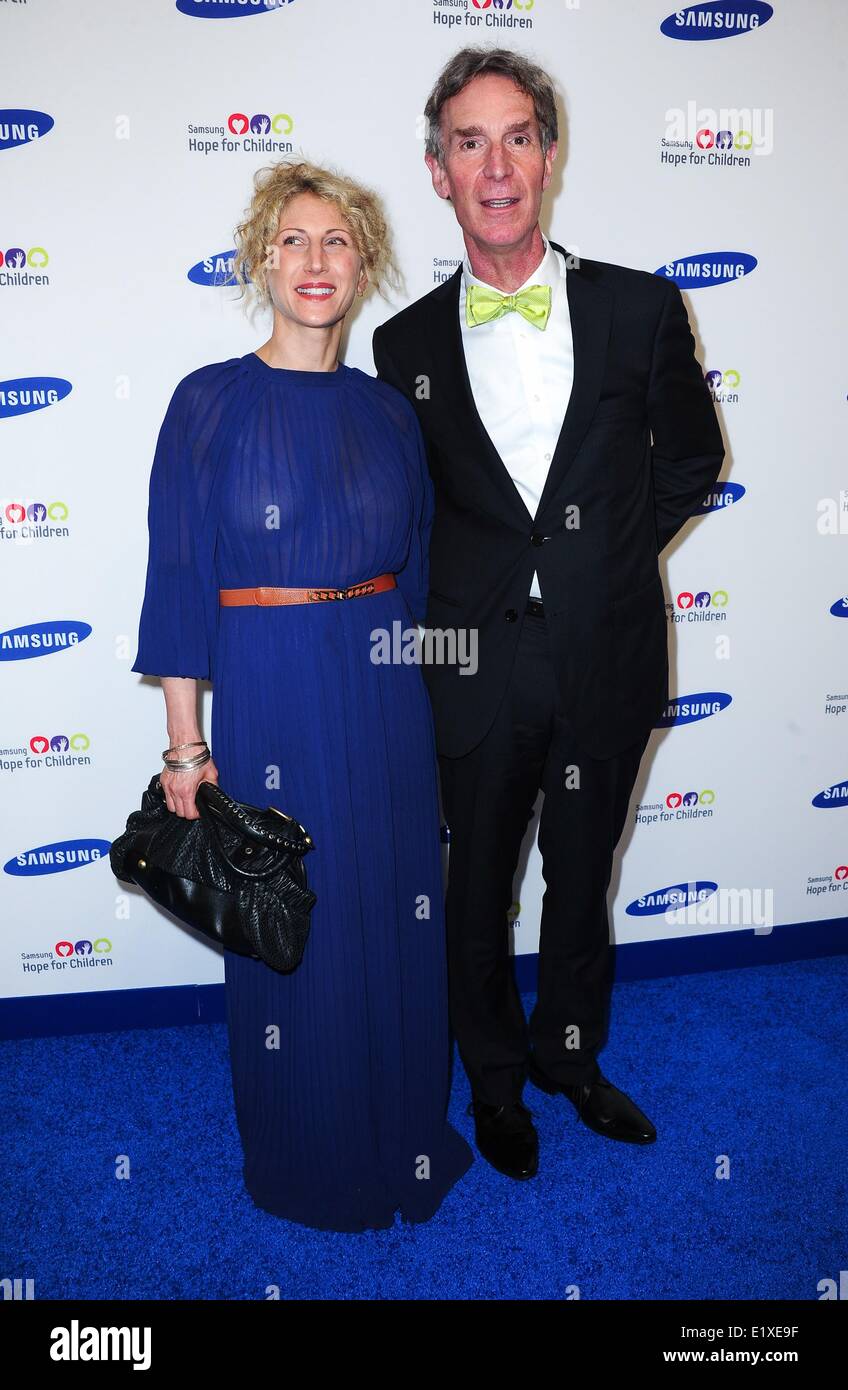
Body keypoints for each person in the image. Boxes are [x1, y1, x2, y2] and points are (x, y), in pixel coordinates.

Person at [372, 48, 725, 1180]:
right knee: (474, 886)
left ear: (549, 153)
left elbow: (691, 461)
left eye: (515, 135)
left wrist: (604, 568)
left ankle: (568, 1057)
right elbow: (416, 516)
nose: (495, 164)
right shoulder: (404, 346)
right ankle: (491, 1082)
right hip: (472, 664)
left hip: (601, 653)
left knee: (582, 873)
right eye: (466, 142)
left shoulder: (637, 307)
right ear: (436, 172)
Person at [130, 158, 473, 1231]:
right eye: (292, 240)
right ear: (259, 261)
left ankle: (405, 1137)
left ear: (362, 262)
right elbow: (179, 578)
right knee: (295, 918)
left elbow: (415, 573)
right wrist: (185, 744)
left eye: (336, 240)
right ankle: (310, 1158)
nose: (314, 260)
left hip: (381, 689)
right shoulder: (207, 400)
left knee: (393, 911)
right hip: (271, 683)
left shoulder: (386, 412)